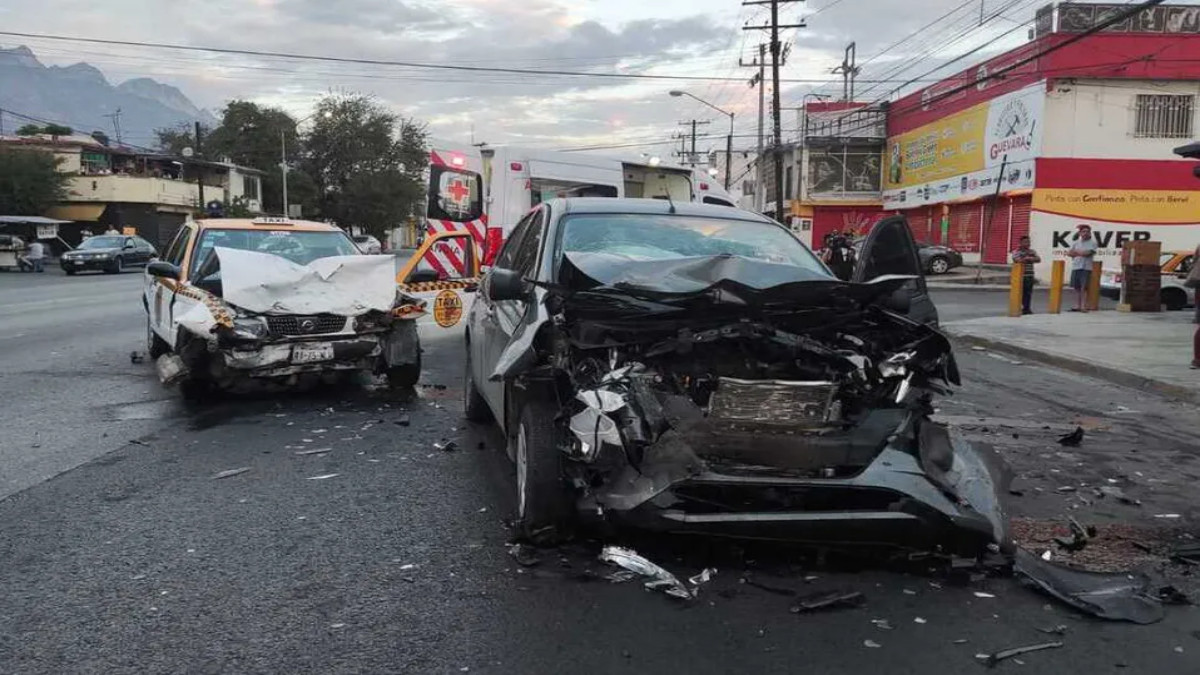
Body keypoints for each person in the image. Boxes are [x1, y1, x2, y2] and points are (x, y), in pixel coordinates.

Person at [1067, 224, 1097, 312]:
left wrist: (1076, 252)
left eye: (1087, 231)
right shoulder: (1076, 242)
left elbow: (1088, 253)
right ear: (1080, 233)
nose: (1086, 233)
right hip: (1076, 266)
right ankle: (1078, 305)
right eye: (1084, 231)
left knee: (1084, 287)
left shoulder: (1093, 242)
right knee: (1077, 287)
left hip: (1086, 267)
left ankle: (1084, 305)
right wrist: (1080, 252)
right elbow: (1069, 253)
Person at [1011, 235, 1041, 315]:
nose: (1028, 243)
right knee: (1020, 292)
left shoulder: (1032, 251)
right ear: (1020, 243)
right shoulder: (1016, 251)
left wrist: (1030, 258)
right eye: (1025, 242)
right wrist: (1027, 258)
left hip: (1030, 275)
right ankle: (1018, 307)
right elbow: (1017, 260)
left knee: (1028, 293)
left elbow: (1038, 259)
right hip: (1020, 275)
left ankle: (1027, 309)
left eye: (1029, 242)